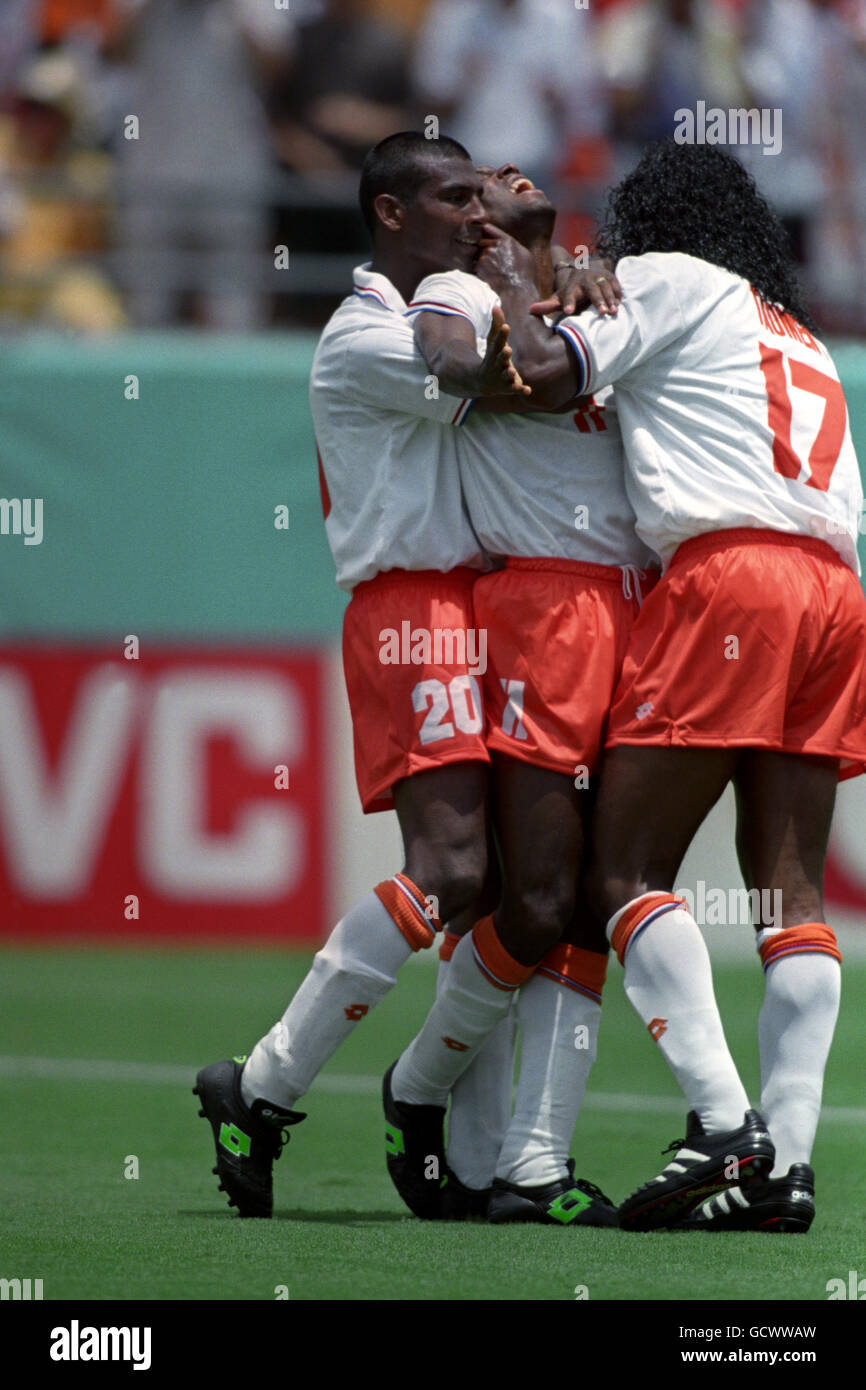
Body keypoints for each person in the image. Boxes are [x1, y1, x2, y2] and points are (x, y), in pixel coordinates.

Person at [469, 139, 866, 1232]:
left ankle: (723, 1126)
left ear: (648, 222)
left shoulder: (666, 279)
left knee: (623, 869)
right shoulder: (794, 330)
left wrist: (517, 265)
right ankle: (785, 1168)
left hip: (729, 575)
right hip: (835, 591)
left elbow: (541, 374)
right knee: (789, 894)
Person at [194, 131, 543, 1221]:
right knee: (449, 868)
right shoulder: (363, 335)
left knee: (493, 890)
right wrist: (500, 278)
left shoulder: (420, 305)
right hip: (411, 608)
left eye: (478, 197)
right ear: (390, 213)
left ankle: (463, 1157)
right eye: (452, 199)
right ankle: (263, 1084)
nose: (473, 216)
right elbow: (485, 377)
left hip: (471, 606)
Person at [383, 161, 656, 1225]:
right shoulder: (466, 301)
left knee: (592, 900)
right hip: (541, 611)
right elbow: (459, 368)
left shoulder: (600, 302)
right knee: (530, 898)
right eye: (477, 185)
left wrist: (579, 269)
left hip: (636, 613)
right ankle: (418, 1085)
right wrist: (512, 294)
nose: (501, 177)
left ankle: (534, 1166)